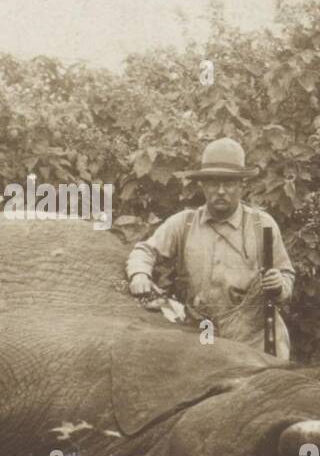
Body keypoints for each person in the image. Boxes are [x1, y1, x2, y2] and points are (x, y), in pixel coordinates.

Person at [126, 138, 294, 358]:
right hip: (204, 335)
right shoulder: (184, 224)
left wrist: (279, 285)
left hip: (255, 337)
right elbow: (145, 251)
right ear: (203, 186)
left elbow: (286, 276)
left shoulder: (262, 225)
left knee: (268, 388)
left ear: (242, 185)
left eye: (229, 183)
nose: (221, 191)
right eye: (214, 183)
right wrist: (139, 274)